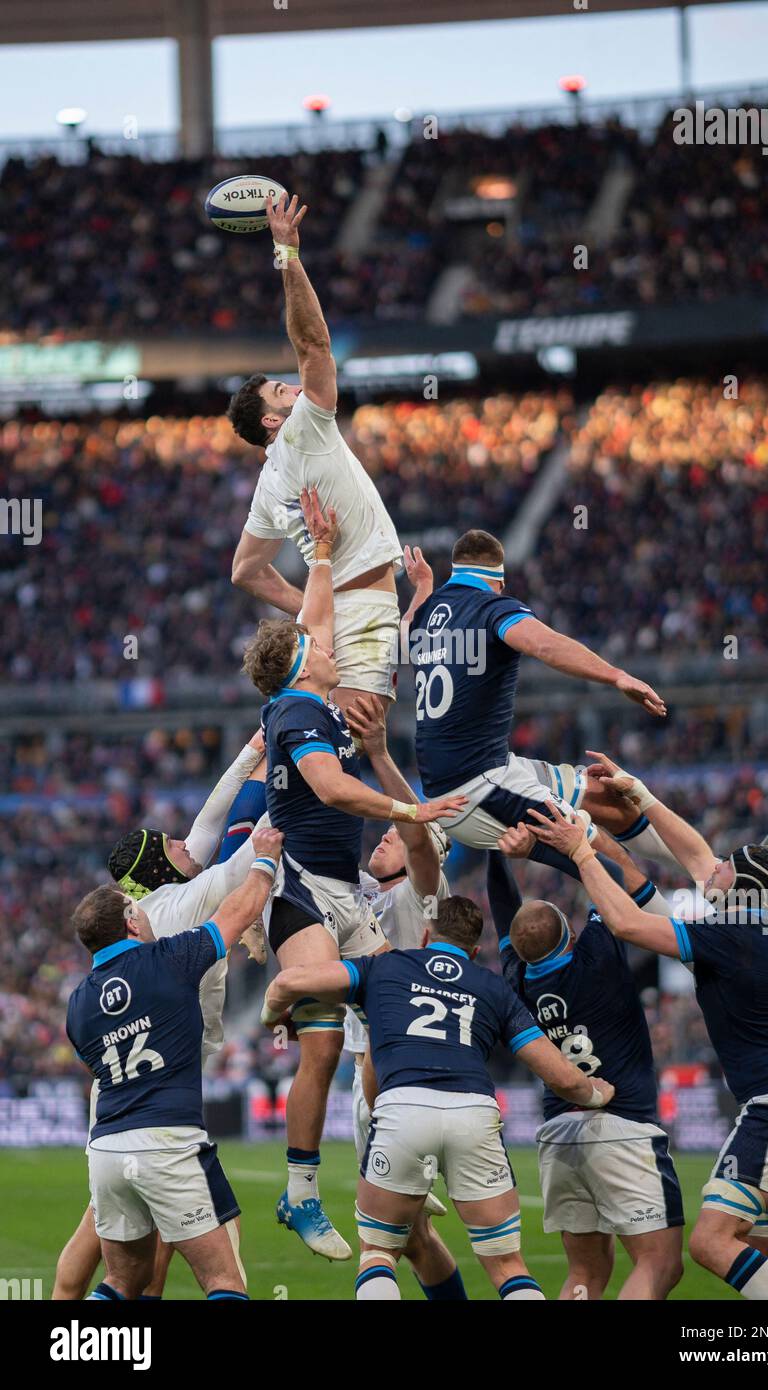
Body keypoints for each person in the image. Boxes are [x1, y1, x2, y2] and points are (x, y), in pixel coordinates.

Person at [242, 490, 465, 1260]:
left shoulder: (314, 690)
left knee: (397, 1013)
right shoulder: (297, 715)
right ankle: (301, 1194)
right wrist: (411, 812)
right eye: (317, 645)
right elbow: (332, 789)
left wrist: (326, 550)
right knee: (324, 1044)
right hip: (302, 887)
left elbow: (318, 617)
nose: (329, 641)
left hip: (342, 894)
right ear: (302, 667)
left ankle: (388, 1157)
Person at [527, 764, 768, 1304]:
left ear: (740, 888)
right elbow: (695, 857)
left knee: (711, 1243)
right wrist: (642, 795)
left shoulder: (734, 935)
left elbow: (626, 924)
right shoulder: (756, 921)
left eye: (724, 869)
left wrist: (581, 853)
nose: (711, 869)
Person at [260, 895, 616, 1301]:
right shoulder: (493, 987)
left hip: (403, 1111)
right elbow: (559, 1075)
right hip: (474, 1114)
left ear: (426, 936)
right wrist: (594, 1093)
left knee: (378, 1254)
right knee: (507, 1265)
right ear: (475, 952)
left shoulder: (384, 966)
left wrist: (272, 1017)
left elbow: (288, 982)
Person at [52, 730, 271, 1300]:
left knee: (126, 1252)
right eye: (171, 843)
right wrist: (302, 763)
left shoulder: (143, 912)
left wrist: (256, 746)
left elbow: (208, 824)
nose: (185, 842)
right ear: (155, 867)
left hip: (120, 1093)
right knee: (202, 1251)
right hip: (158, 1095)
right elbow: (244, 860)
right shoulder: (180, 907)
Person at [404, 530, 682, 888]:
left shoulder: (426, 615)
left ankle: (703, 869)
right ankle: (672, 921)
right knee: (603, 858)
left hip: (445, 784)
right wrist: (617, 676)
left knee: (601, 796)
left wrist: (423, 586)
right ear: (499, 581)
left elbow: (408, 628)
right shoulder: (492, 607)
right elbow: (544, 645)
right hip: (478, 784)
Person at [228, 192, 403, 713]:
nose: (295, 389)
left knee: (334, 735)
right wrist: (287, 253)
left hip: (327, 614)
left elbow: (245, 570)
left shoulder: (268, 484)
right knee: (354, 735)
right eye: (281, 392)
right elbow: (313, 346)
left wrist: (305, 605)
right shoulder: (302, 430)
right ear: (271, 421)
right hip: (362, 607)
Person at [486, 845, 683, 1300]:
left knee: (585, 1273)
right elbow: (608, 872)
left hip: (559, 1135)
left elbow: (504, 911)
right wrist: (558, 845)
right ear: (571, 934)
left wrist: (494, 847)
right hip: (622, 1124)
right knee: (661, 1263)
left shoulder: (517, 979)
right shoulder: (597, 956)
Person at [340, 694, 465, 1299]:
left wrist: (379, 754)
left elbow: (417, 835)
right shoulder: (368, 890)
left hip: (394, 1066)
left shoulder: (424, 894)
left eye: (394, 833)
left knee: (380, 1236)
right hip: (371, 1062)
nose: (385, 836)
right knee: (411, 1237)